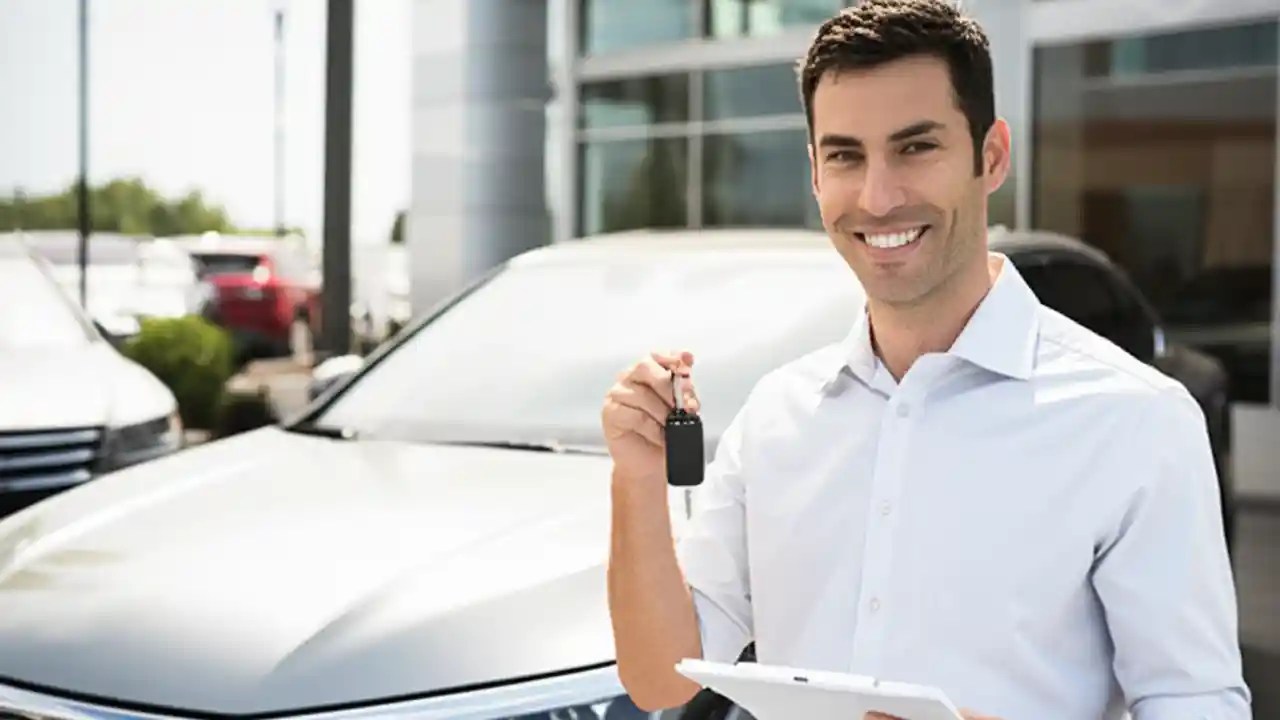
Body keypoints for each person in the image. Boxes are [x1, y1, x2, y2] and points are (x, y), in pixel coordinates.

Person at [600, 0, 1251, 718]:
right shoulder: (775, 416)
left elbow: (1197, 704)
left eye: (916, 147)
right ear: (815, 173)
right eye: (846, 155)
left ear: (991, 156)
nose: (878, 197)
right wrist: (636, 481)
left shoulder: (1136, 422)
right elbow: (662, 682)